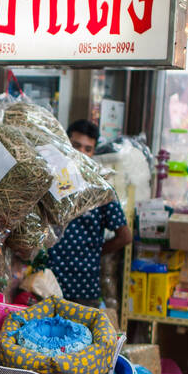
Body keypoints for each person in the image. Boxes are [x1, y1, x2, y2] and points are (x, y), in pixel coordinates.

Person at [46, 119, 130, 307]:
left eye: (88, 149)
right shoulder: (50, 180)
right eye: (76, 146)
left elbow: (125, 236)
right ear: (65, 143)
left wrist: (95, 251)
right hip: (46, 284)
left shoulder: (100, 189)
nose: (81, 153)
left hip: (84, 290)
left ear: (93, 152)